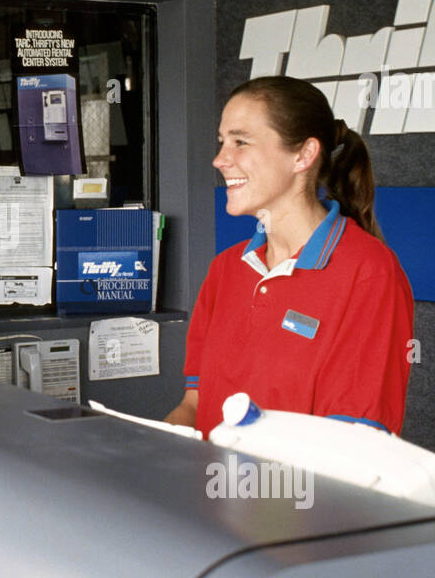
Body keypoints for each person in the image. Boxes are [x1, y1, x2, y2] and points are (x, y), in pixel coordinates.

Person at [166, 75, 414, 438]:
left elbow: (353, 442)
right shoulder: (225, 270)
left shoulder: (369, 274)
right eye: (222, 142)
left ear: (303, 154)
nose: (220, 159)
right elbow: (195, 406)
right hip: (210, 489)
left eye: (240, 142)